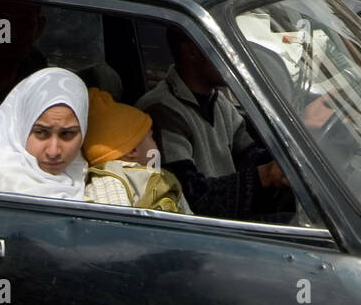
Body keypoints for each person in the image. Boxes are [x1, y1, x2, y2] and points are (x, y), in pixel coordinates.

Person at [137, 29, 292, 221]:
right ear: (193, 52)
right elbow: (192, 198)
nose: (232, 57)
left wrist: (291, 158)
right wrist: (265, 175)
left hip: (229, 217)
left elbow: (248, 157)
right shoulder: (162, 111)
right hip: (202, 227)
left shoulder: (219, 102)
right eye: (221, 49)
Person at [0, 67, 88, 200]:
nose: (53, 152)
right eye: (41, 133)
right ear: (21, 128)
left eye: (67, 134)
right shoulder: (0, 182)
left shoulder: (78, 168)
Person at [82, 89, 189, 212]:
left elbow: (189, 216)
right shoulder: (111, 178)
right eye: (151, 137)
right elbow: (117, 223)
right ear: (133, 150)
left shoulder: (163, 177)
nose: (156, 143)